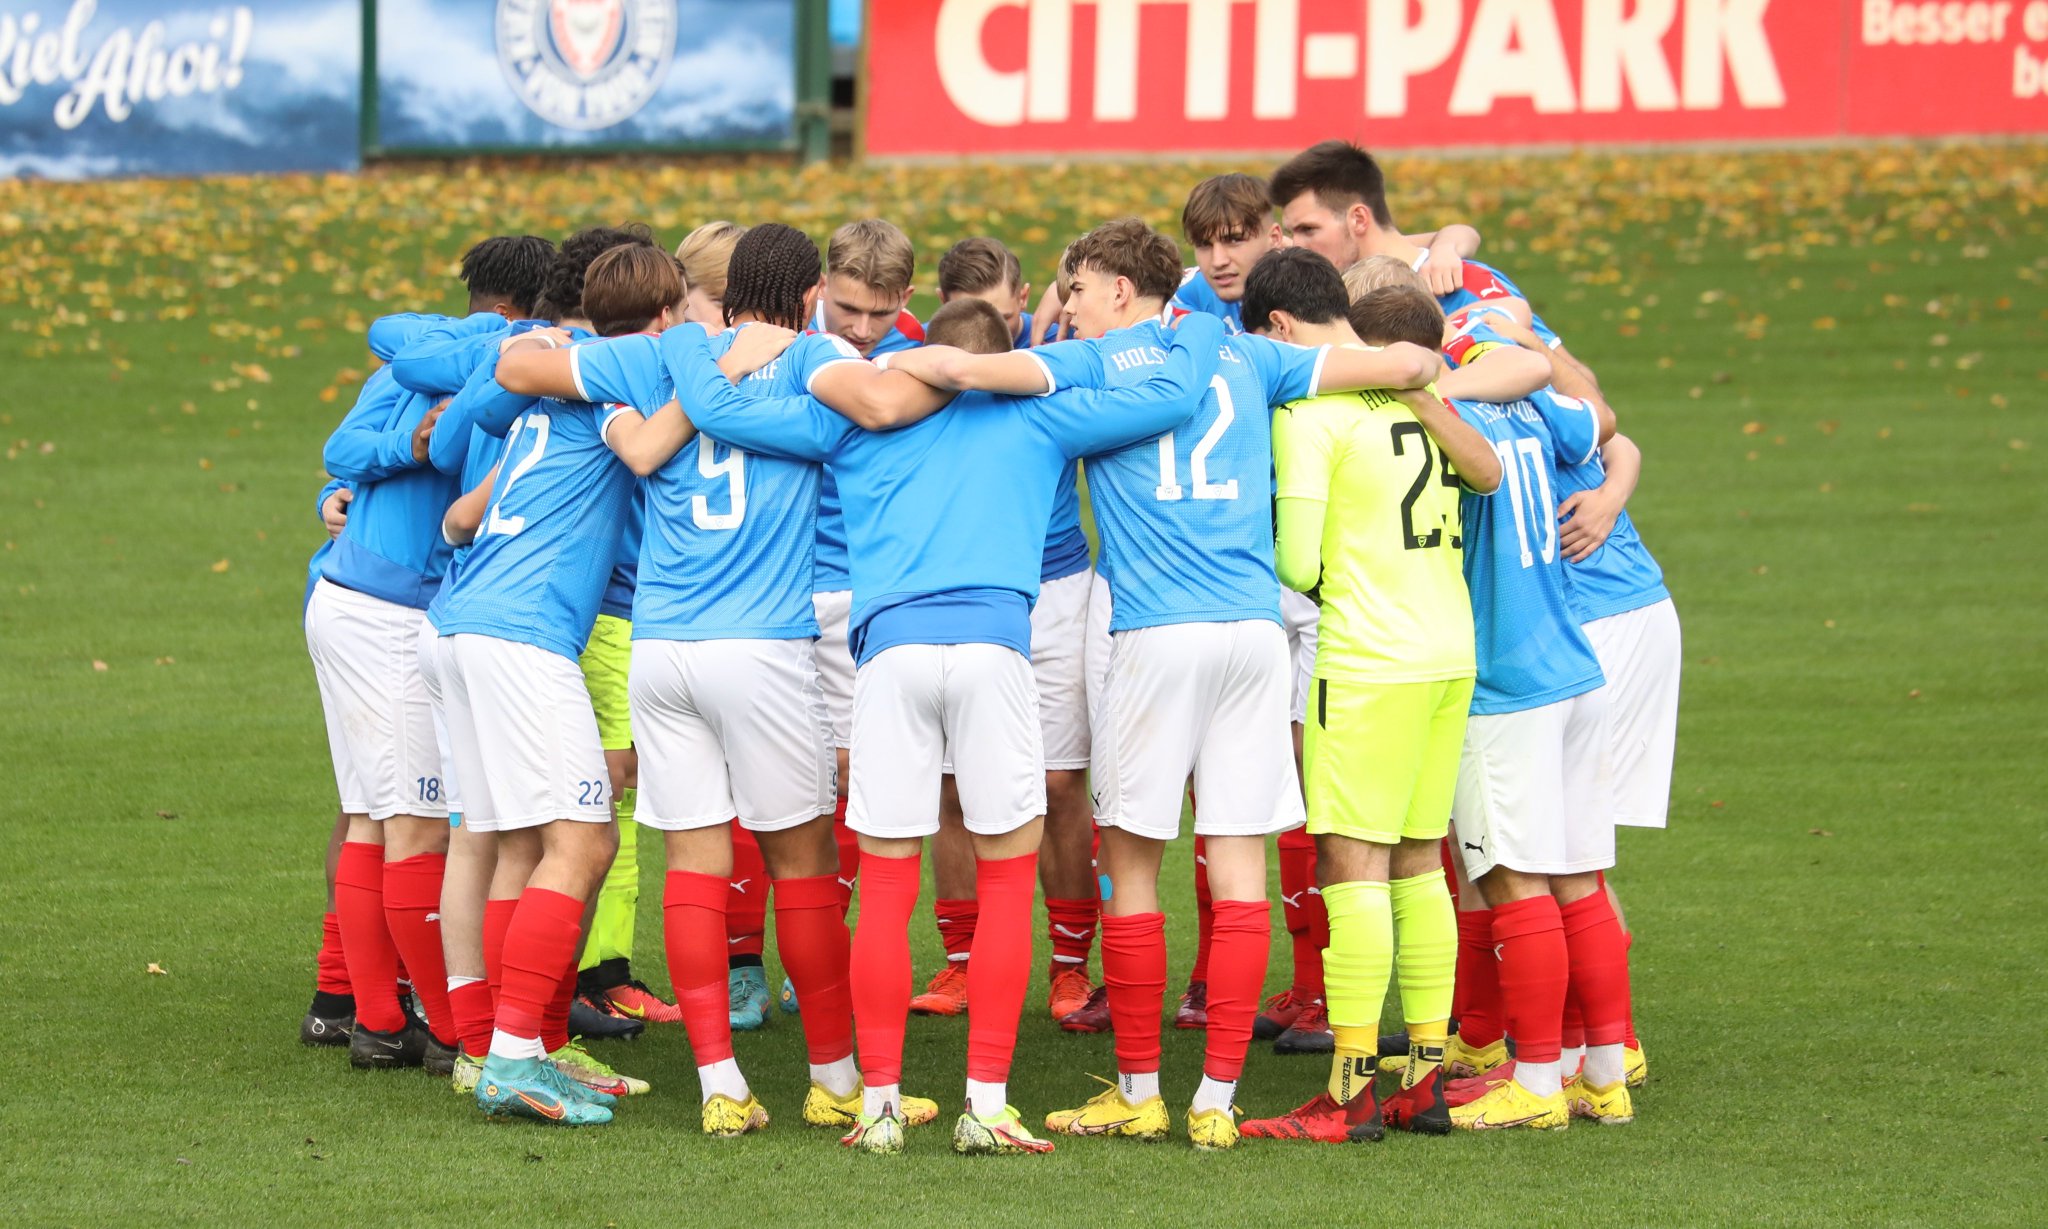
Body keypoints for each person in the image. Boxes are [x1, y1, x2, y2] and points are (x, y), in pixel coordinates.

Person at [892, 219, 1441, 1150]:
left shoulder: (1092, 364)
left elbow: (979, 374)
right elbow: (1409, 365)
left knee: (1137, 866)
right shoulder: (1247, 357)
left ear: (1114, 287)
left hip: (1156, 635)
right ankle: (1219, 1103)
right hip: (1254, 634)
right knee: (1239, 872)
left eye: (1074, 286)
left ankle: (1143, 1090)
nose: (1064, 304)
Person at [670, 296, 1225, 1157]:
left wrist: (695, 347)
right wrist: (1190, 326)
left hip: (887, 658)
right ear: (1002, 361)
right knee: (1009, 879)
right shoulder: (1042, 415)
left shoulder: (857, 419)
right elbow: (1174, 398)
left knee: (888, 889)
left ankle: (881, 1103)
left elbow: (717, 411)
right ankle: (987, 1102)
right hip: (994, 653)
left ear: (927, 356)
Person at [496, 222, 955, 1137]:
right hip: (762, 647)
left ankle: (719, 1084)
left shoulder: (662, 350)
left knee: (695, 861)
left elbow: (517, 369)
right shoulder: (815, 356)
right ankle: (831, 1076)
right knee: (804, 866)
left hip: (664, 648)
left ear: (728, 288)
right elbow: (874, 407)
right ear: (807, 293)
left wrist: (575, 352)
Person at [1226, 250, 1499, 1143]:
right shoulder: (1419, 394)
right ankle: (1420, 1076)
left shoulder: (1312, 411)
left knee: (1351, 865)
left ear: (1277, 329)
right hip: (1448, 652)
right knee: (1422, 861)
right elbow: (1483, 474)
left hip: (1369, 660)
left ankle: (1345, 1093)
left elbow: (1299, 564)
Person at [1350, 283, 1631, 1132]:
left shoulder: (1423, 424)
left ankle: (1538, 1083)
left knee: (1511, 879)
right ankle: (1604, 1075)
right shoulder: (1530, 405)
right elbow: (1600, 420)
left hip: (1501, 683)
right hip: (1571, 663)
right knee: (1579, 876)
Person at [433, 244, 701, 1126]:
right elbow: (646, 447)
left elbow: (462, 517)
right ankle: (513, 1058)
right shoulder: (633, 367)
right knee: (583, 846)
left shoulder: (548, 395)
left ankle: (526, 1045)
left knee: (523, 846)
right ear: (663, 320)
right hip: (523, 636)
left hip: (465, 621)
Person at [306, 234, 551, 1072]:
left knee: (377, 815)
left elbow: (343, 454)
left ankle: (376, 1016)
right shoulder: (498, 372)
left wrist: (374, 464)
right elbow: (379, 456)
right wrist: (407, 448)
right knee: (415, 821)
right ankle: (450, 1029)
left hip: (350, 600)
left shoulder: (410, 359)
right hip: (386, 610)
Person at [919, 234, 1100, 1025]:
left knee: (1061, 784)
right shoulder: (912, 372)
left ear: (1023, 305)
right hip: (959, 592)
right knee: (954, 787)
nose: (979, 347)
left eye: (996, 317)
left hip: (1055, 588)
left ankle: (1070, 966)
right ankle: (960, 963)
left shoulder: (1057, 373)